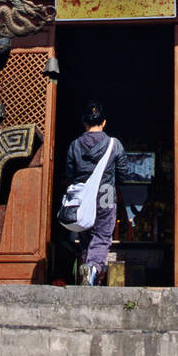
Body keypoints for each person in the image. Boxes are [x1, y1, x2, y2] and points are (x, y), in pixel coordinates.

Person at [64, 101, 131, 286]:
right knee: (102, 237)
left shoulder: (74, 145)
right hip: (106, 196)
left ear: (84, 123)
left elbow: (70, 175)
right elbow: (124, 175)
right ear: (104, 123)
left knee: (86, 238)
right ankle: (93, 269)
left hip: (82, 199)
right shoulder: (113, 144)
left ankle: (88, 272)